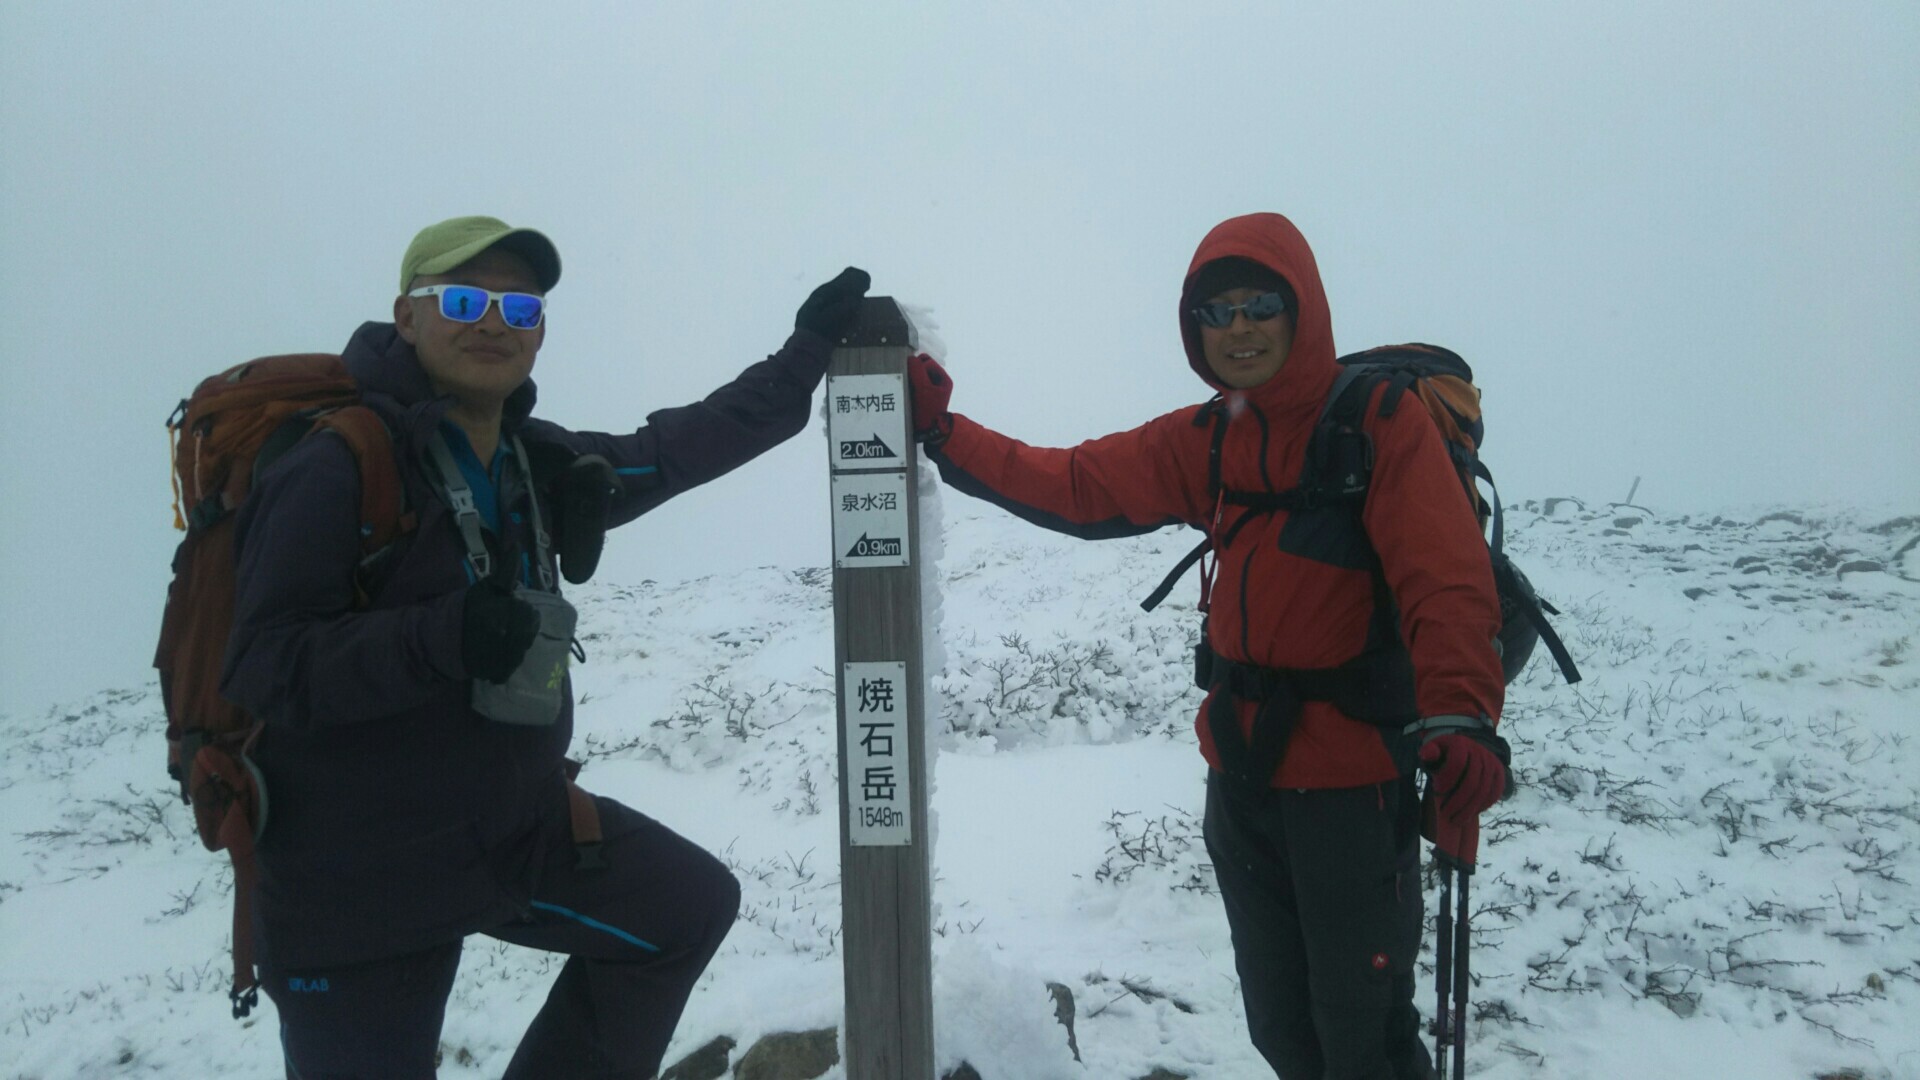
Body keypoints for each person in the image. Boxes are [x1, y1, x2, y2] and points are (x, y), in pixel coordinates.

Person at [220, 214, 870, 1078]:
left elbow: (674, 450)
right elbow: (262, 667)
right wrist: (440, 637)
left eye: (519, 309)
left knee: (685, 908)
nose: (493, 322)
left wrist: (804, 355)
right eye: (462, 299)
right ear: (405, 317)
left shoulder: (534, 462)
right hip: (358, 885)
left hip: (504, 833)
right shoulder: (338, 463)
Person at [908, 212, 1509, 1079]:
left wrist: (1462, 715)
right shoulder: (1216, 434)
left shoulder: (1376, 422)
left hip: (1351, 793)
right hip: (1244, 779)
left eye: (1261, 305)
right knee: (1281, 1028)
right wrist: (945, 435)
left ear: (1302, 311)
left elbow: (1445, 578)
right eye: (1216, 313)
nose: (1239, 329)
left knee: (1361, 1035)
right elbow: (1078, 483)